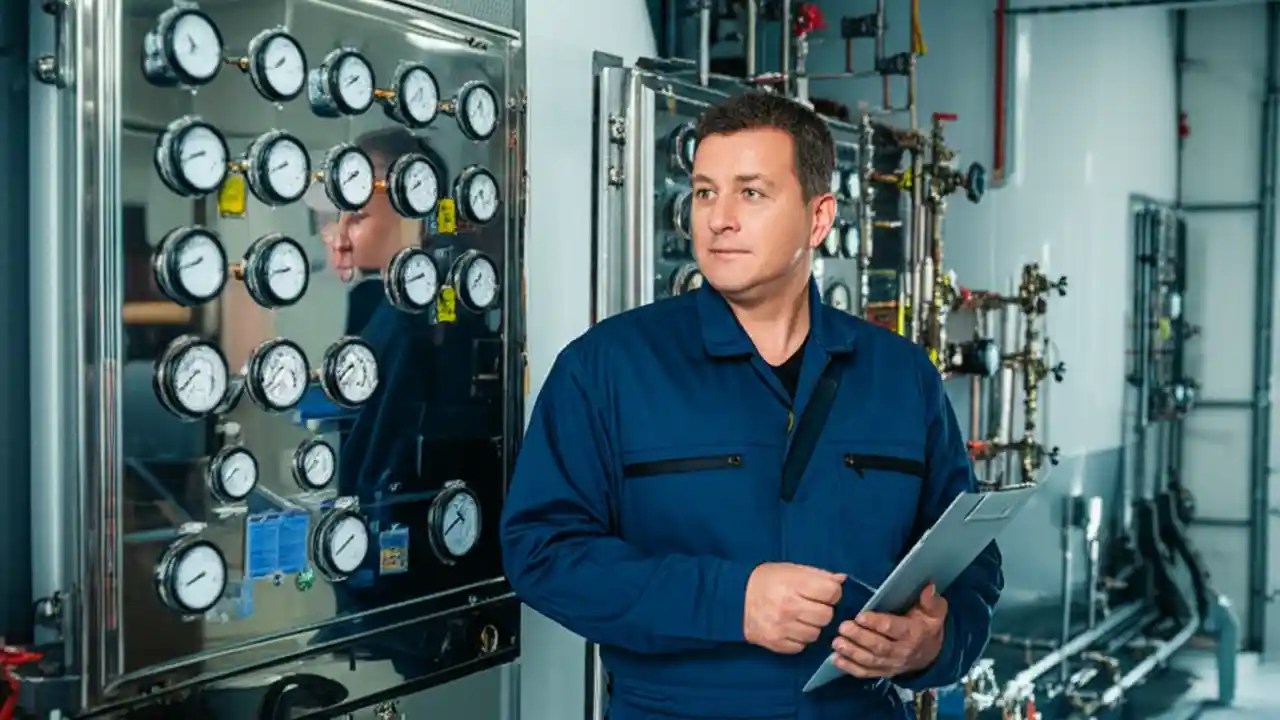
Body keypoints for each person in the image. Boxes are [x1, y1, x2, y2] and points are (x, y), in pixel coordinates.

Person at [499, 92, 1003, 719]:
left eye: (752, 193)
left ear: (819, 218)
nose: (718, 219)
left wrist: (937, 643)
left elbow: (970, 557)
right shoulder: (607, 367)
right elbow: (542, 553)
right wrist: (730, 601)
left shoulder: (901, 377)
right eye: (705, 192)